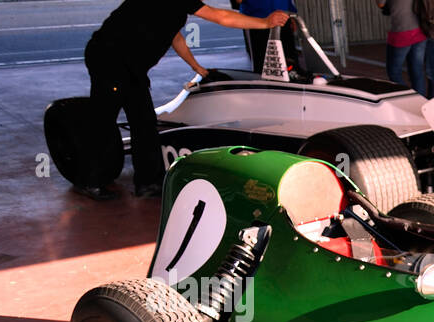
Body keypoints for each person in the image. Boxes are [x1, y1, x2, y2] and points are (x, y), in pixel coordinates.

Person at [81, 1, 289, 200]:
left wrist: (196, 67)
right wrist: (264, 23)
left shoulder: (174, 8)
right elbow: (221, 16)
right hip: (109, 59)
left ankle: (147, 183)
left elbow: (175, 37)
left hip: (131, 65)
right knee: (104, 120)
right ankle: (93, 181)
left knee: (144, 121)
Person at [378, 0, 432, 98]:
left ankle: (406, 98)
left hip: (402, 32)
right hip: (421, 30)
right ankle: (419, 102)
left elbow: (381, 4)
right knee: (417, 71)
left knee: (394, 72)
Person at [233, 0, 298, 74]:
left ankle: (290, 80)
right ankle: (264, 83)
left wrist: (291, 14)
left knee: (289, 59)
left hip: (283, 17)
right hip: (257, 20)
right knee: (262, 62)